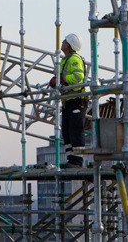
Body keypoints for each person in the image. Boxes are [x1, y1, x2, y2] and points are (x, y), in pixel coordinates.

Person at [50, 32, 87, 167]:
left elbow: (78, 78)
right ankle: (72, 158)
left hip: (76, 99)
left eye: (65, 41)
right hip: (68, 100)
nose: (62, 43)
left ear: (70, 45)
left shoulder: (74, 59)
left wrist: (64, 80)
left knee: (76, 129)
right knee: (66, 130)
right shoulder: (66, 59)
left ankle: (77, 160)